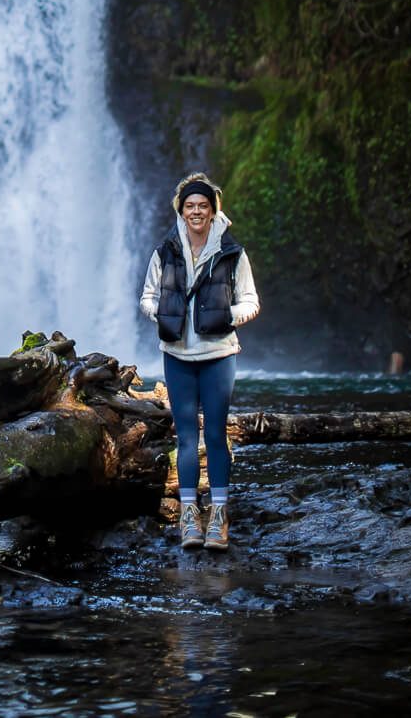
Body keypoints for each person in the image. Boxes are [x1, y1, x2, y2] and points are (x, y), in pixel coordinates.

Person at [140, 171, 260, 551]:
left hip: (219, 355)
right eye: (190, 205)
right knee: (186, 436)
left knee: (216, 434)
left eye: (203, 206)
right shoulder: (165, 252)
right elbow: (146, 297)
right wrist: (162, 313)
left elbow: (251, 301)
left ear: (212, 211)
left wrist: (231, 317)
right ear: (181, 209)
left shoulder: (233, 253)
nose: (196, 211)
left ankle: (219, 516)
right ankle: (190, 517)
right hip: (177, 355)